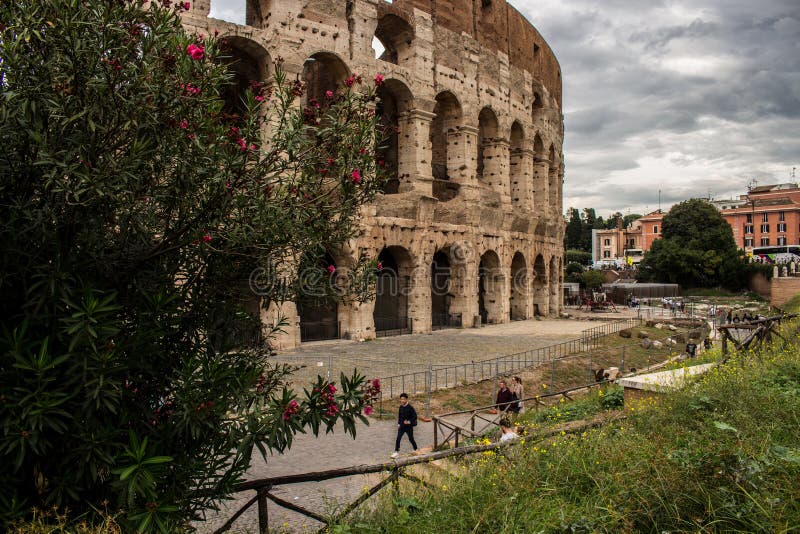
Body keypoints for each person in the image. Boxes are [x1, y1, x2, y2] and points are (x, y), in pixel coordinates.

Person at [391, 393, 417, 458]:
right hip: (402, 427)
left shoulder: (410, 408)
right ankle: (396, 452)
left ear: (406, 399)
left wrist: (409, 421)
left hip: (409, 427)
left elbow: (415, 416)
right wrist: (399, 424)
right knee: (398, 438)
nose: (402, 401)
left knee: (411, 439)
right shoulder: (401, 407)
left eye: (404, 399)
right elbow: (399, 416)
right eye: (401, 399)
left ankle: (416, 449)